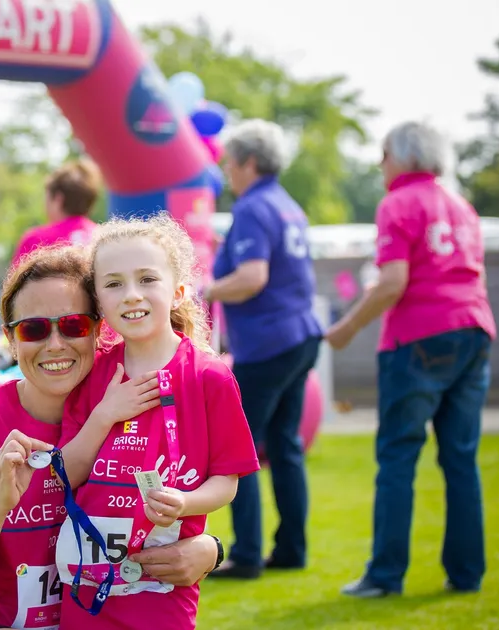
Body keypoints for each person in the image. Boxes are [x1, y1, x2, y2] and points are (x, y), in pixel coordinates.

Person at [0, 245, 224, 630]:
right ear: (11, 340)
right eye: (33, 329)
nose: (55, 344)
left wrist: (209, 550)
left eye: (73, 326)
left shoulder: (136, 406)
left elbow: (168, 513)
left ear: (99, 331)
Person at [56, 216, 259, 630]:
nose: (131, 295)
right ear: (98, 301)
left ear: (179, 291)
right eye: (114, 284)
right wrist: (105, 414)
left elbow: (227, 482)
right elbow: (66, 475)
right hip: (86, 587)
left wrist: (185, 503)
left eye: (147, 279)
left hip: (163, 590)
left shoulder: (209, 377)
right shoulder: (92, 375)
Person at [325, 121, 496, 598]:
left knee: (398, 456)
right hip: (474, 329)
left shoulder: (397, 203)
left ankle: (385, 575)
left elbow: (394, 281)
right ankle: (467, 573)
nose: (380, 164)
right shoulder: (461, 205)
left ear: (404, 156)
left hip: (419, 338)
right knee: (460, 458)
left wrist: (348, 327)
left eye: (384, 154)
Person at [200, 119, 323, 579]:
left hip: (268, 343)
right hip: (301, 336)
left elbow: (253, 277)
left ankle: (248, 554)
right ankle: (292, 548)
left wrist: (209, 290)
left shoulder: (252, 206)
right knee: (286, 445)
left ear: (250, 162)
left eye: (230, 162)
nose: (227, 171)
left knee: (241, 448)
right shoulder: (287, 204)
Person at [11, 160, 102, 266]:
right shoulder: (102, 238)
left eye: (46, 197)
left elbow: (16, 276)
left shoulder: (36, 241)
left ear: (58, 198)